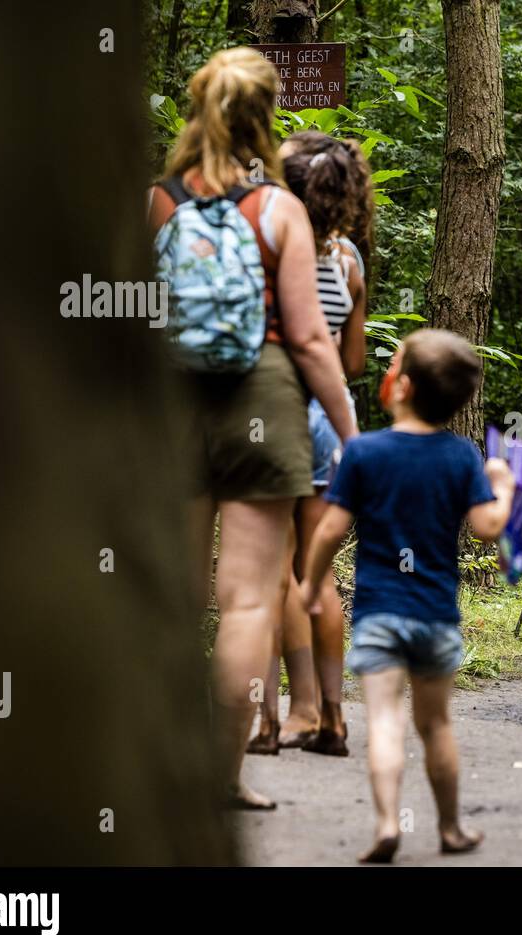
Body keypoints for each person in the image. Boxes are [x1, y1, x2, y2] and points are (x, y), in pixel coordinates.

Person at [148, 48, 359, 809]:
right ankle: (223, 778)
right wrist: (349, 425)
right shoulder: (279, 210)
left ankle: (158, 762)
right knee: (245, 601)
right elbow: (308, 338)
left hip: (173, 405)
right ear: (266, 117)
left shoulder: (156, 204)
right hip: (262, 399)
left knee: (173, 596)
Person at [300, 330, 515, 863]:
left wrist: (310, 583)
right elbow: (489, 527)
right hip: (437, 617)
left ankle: (386, 824)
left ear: (402, 386)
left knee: (385, 722)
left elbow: (329, 530)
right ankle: (449, 829)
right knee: (436, 724)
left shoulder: (365, 452)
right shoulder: (462, 456)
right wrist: (504, 484)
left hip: (378, 615)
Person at [248, 133, 374, 756]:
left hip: (279, 410)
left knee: (273, 573)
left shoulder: (270, 245)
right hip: (334, 416)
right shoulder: (350, 258)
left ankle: (280, 716)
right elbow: (349, 359)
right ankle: (332, 715)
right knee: (318, 574)